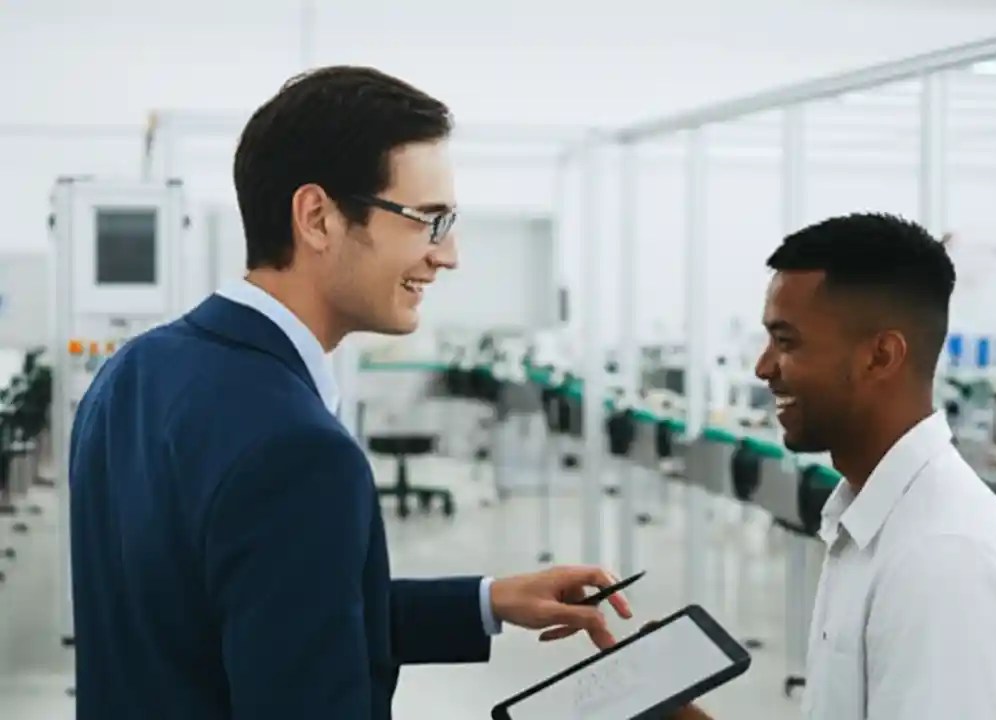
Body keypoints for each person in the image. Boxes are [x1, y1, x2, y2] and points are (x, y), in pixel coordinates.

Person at [68, 66, 630, 720]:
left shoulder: (133, 371)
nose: (447, 256)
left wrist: (488, 599)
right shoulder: (298, 449)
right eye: (428, 220)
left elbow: (261, 612)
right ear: (318, 218)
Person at [668, 214, 996, 718]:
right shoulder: (872, 519)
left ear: (881, 356)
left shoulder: (938, 557)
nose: (763, 367)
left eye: (786, 342)